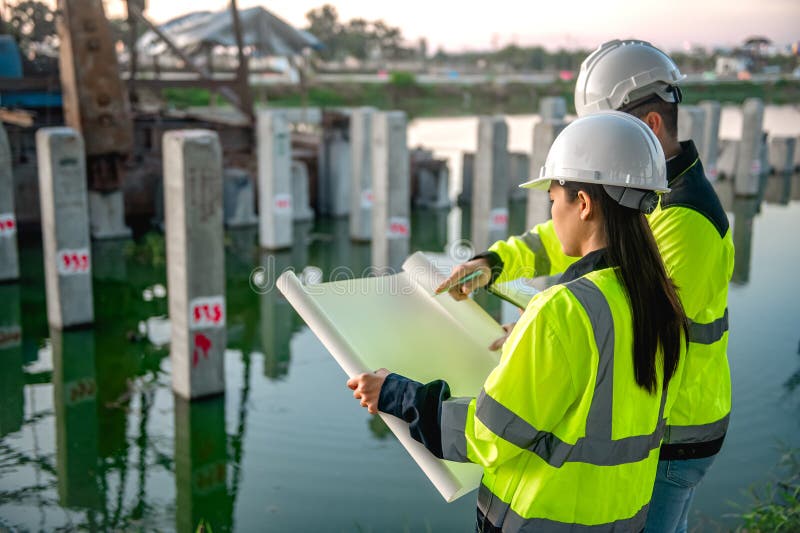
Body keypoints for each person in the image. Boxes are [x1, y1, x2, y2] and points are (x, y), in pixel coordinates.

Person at [439, 40, 734, 532]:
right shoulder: (644, 196)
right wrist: (494, 262)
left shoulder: (687, 221)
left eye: (609, 129)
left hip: (675, 432)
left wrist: (542, 337)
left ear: (651, 126)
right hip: (650, 418)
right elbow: (569, 238)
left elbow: (639, 319)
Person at [349, 111, 689, 531]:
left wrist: (396, 394)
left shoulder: (562, 310)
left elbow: (488, 436)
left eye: (552, 200)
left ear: (582, 204)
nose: (551, 213)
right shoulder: (663, 300)